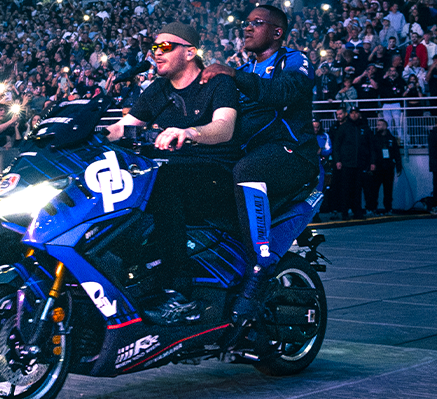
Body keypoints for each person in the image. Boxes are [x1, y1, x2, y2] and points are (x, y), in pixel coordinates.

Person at [106, 22, 239, 325]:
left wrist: (189, 131)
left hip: (215, 170)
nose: (156, 53)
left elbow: (224, 127)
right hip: (172, 171)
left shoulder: (217, 84)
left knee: (164, 183)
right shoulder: (157, 90)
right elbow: (125, 127)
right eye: (154, 47)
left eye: (165, 46)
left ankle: (180, 291)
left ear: (190, 52)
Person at [200, 4, 318, 325]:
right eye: (245, 23)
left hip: (293, 154)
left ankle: (260, 266)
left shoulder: (294, 61)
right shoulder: (246, 70)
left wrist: (233, 75)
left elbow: (280, 92)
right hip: (253, 153)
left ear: (277, 33)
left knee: (246, 172)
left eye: (256, 23)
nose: (247, 28)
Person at [333, 108, 375, 220]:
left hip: (360, 164)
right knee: (346, 189)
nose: (354, 115)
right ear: (349, 114)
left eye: (356, 113)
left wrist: (372, 161)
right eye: (352, 113)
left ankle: (357, 211)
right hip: (347, 163)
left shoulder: (365, 128)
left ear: (359, 114)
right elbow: (336, 145)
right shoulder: (344, 128)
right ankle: (345, 212)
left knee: (358, 189)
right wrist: (338, 160)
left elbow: (371, 146)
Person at [368, 119, 401, 214]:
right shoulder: (374, 138)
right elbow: (372, 152)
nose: (377, 126)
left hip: (388, 167)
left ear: (385, 126)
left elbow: (396, 153)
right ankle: (372, 207)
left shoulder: (391, 138)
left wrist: (398, 167)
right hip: (378, 167)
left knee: (388, 190)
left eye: (379, 125)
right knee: (374, 189)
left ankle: (388, 208)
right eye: (377, 125)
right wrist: (372, 163)